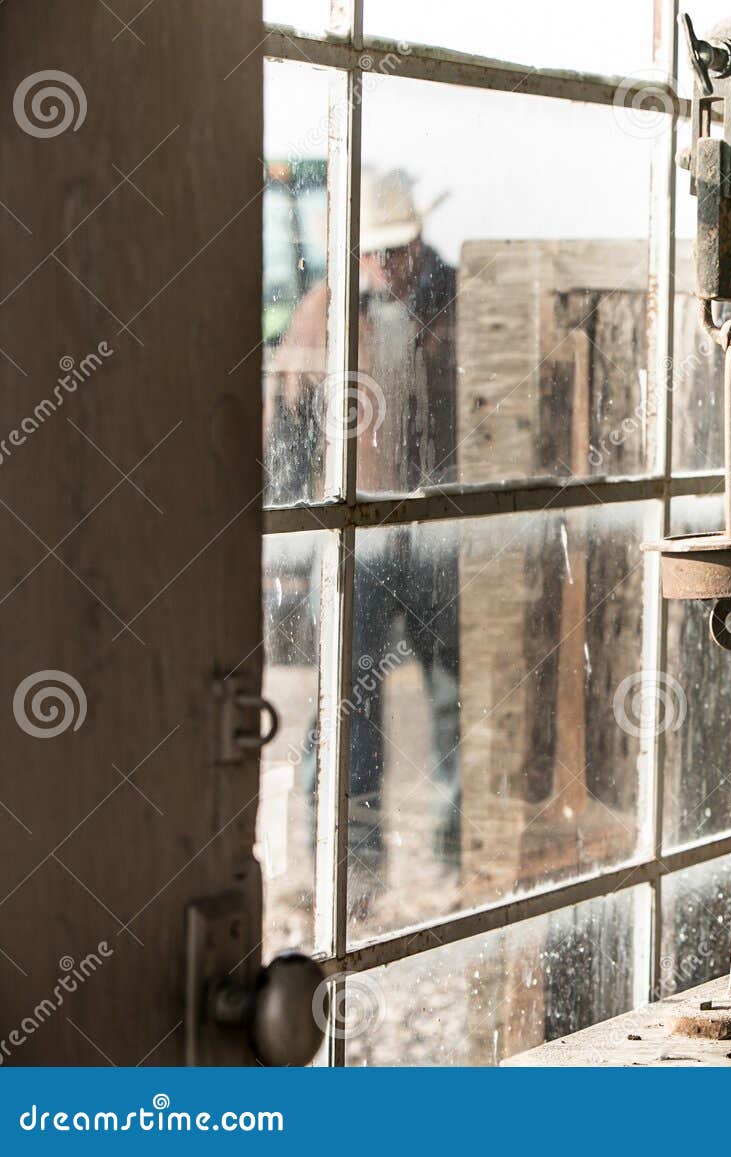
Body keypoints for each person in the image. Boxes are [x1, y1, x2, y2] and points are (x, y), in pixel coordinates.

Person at [268, 169, 463, 905]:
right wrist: (290, 546)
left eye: (397, 249)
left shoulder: (457, 304)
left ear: (418, 242)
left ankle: (455, 862)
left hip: (442, 542)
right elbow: (284, 434)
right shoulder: (320, 318)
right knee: (347, 709)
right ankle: (346, 870)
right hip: (351, 549)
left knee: (457, 700)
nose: (387, 264)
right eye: (374, 252)